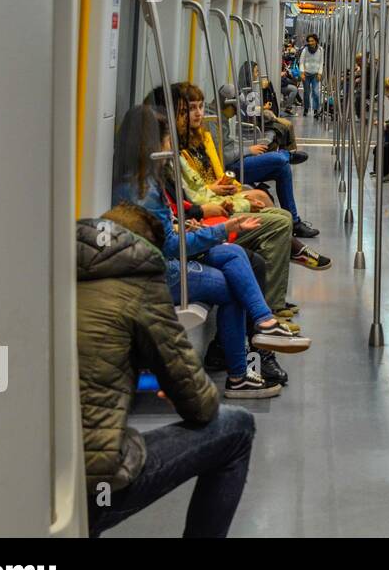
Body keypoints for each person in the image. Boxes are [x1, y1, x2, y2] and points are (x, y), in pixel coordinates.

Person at [77, 209, 255, 538]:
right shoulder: (139, 285)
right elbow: (201, 406)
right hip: (94, 488)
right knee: (237, 428)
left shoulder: (49, 274)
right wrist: (174, 385)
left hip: (27, 485)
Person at [112, 105, 310, 395]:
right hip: (159, 272)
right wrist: (223, 229)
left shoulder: (143, 181)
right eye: (167, 139)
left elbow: (168, 229)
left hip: (162, 257)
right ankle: (241, 371)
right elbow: (170, 247)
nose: (171, 145)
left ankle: (265, 323)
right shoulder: (146, 189)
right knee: (233, 285)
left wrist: (191, 225)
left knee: (234, 254)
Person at [215, 83, 320, 238]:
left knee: (282, 169)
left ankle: (295, 222)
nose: (236, 114)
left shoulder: (220, 118)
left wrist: (247, 150)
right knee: (279, 159)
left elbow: (228, 146)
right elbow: (223, 156)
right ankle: (287, 155)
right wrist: (248, 150)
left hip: (236, 161)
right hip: (230, 169)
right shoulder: (213, 121)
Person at [300, 32, 324, 115]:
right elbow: (301, 62)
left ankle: (315, 109)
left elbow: (321, 62)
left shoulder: (320, 50)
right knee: (306, 92)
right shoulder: (305, 50)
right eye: (309, 41)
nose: (310, 42)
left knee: (316, 92)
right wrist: (302, 72)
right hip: (306, 74)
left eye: (312, 41)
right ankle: (306, 108)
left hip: (315, 74)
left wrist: (320, 73)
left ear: (316, 41)